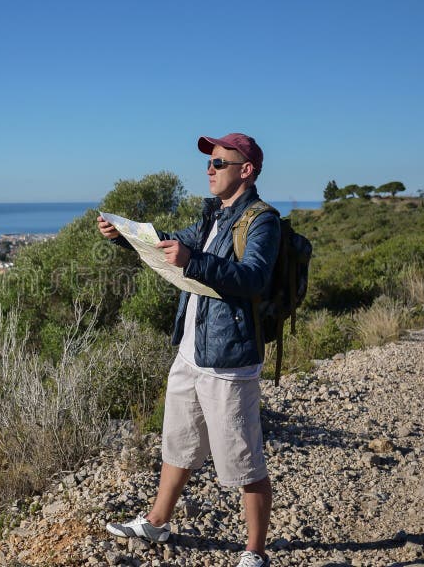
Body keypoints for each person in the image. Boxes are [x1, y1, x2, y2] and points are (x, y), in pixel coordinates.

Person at [97, 133, 280, 567]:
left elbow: (254, 277)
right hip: (191, 350)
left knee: (243, 458)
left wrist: (193, 262)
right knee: (177, 442)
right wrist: (122, 235)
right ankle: (157, 521)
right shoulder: (211, 216)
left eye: (219, 162)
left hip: (230, 359)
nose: (210, 169)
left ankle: (255, 552)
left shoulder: (262, 221)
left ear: (246, 170)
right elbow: (166, 244)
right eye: (210, 163)